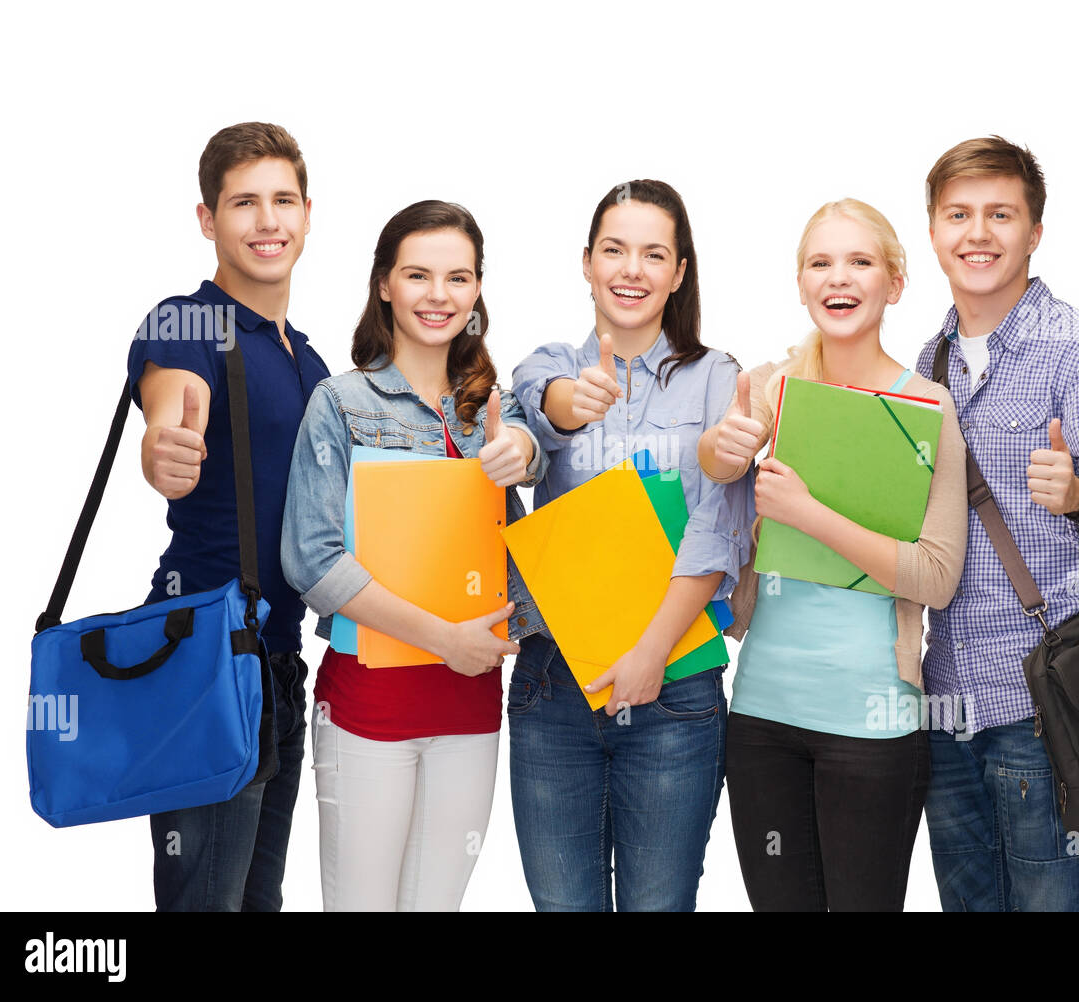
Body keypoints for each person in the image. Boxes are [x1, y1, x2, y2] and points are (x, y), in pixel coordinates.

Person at [698, 198, 968, 910]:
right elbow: (718, 466)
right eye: (820, 262)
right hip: (762, 719)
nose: (837, 278)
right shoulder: (768, 387)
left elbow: (937, 578)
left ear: (895, 283)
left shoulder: (928, 407)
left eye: (859, 261)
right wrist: (721, 448)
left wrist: (809, 515)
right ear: (801, 282)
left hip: (872, 725)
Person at [280, 200, 547, 911]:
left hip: (470, 703)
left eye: (458, 278)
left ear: (477, 290)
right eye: (418, 275)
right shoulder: (340, 403)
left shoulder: (492, 405)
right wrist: (446, 640)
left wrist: (516, 449)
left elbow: (529, 449)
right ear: (384, 285)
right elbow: (313, 561)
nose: (439, 295)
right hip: (371, 704)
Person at [916, 136, 1079, 912]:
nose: (977, 233)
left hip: (1044, 704)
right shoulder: (931, 360)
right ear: (933, 230)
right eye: (959, 214)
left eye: (1000, 214)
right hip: (949, 700)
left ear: (1034, 232)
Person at [509, 179, 755, 911]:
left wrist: (651, 652)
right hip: (556, 685)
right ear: (586, 262)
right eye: (614, 250)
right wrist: (565, 405)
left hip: (675, 688)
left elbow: (719, 527)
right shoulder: (548, 364)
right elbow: (536, 411)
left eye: (654, 254)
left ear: (680, 271)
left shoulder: (718, 379)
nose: (631, 270)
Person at [126, 122, 330, 911]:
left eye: (283, 200)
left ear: (308, 214)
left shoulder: (310, 360)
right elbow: (173, 402)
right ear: (209, 219)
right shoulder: (188, 319)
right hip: (204, 658)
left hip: (279, 660)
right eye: (244, 202)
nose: (267, 220)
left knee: (256, 902)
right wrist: (164, 446)